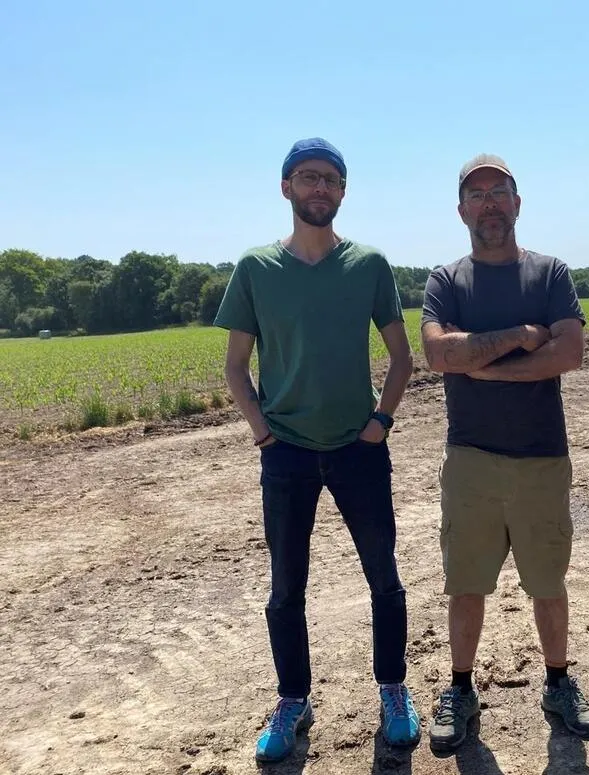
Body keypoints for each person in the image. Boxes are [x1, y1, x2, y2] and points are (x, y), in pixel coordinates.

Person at [214, 137, 420, 763]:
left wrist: (380, 421)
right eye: (307, 177)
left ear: (343, 192)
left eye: (330, 179)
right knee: (286, 588)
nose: (319, 188)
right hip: (287, 455)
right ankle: (292, 700)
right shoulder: (255, 269)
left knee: (384, 578)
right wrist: (262, 432)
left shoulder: (369, 265)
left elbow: (402, 356)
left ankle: (393, 690)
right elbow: (235, 369)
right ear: (286, 189)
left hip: (359, 449)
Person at [419, 154, 589, 751]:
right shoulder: (446, 281)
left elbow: (570, 353)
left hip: (541, 458)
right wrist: (522, 338)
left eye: (499, 192)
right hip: (469, 459)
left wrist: (488, 369)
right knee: (465, 581)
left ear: (517, 204)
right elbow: (439, 356)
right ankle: (460, 688)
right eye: (477, 196)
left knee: (548, 581)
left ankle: (558, 682)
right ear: (461, 211)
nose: (489, 204)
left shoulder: (549, 273)